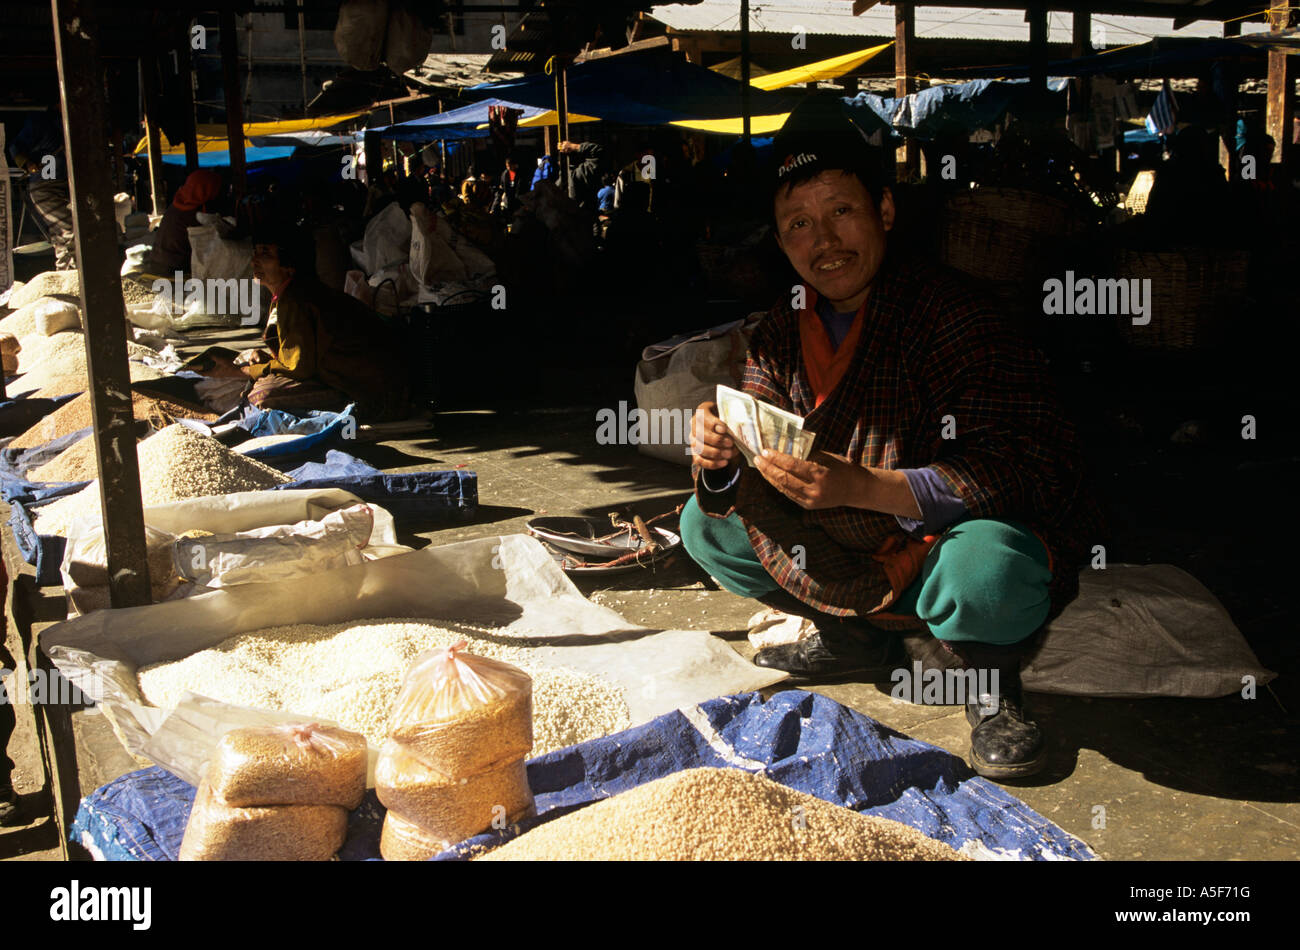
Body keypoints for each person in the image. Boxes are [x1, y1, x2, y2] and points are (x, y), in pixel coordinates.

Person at [682, 94, 1102, 780]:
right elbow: (753, 434)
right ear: (781, 240)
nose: (825, 242)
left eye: (841, 211)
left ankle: (984, 678)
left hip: (936, 546)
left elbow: (1029, 462)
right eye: (799, 224)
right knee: (706, 525)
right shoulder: (779, 335)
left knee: (990, 572)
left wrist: (864, 486)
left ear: (884, 210)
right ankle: (851, 637)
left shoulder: (956, 311)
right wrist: (720, 452)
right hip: (842, 542)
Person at [222, 228, 412, 421]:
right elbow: (298, 354)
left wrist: (251, 370)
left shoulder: (297, 299)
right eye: (255, 253)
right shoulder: (290, 294)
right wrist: (267, 360)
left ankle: (354, 409)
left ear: (290, 265)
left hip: (376, 392)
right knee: (258, 387)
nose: (254, 261)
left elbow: (298, 368)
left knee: (262, 395)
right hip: (354, 380)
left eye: (265, 253)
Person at [8, 109, 75, 270]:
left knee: (62, 235)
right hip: (46, 186)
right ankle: (73, 272)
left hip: (65, 184)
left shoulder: (72, 121)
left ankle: (66, 273)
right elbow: (15, 147)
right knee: (71, 231)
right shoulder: (42, 120)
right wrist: (28, 164)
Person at [146, 168, 222, 274]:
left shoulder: (178, 203)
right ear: (205, 189)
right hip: (175, 268)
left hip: (157, 263)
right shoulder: (194, 214)